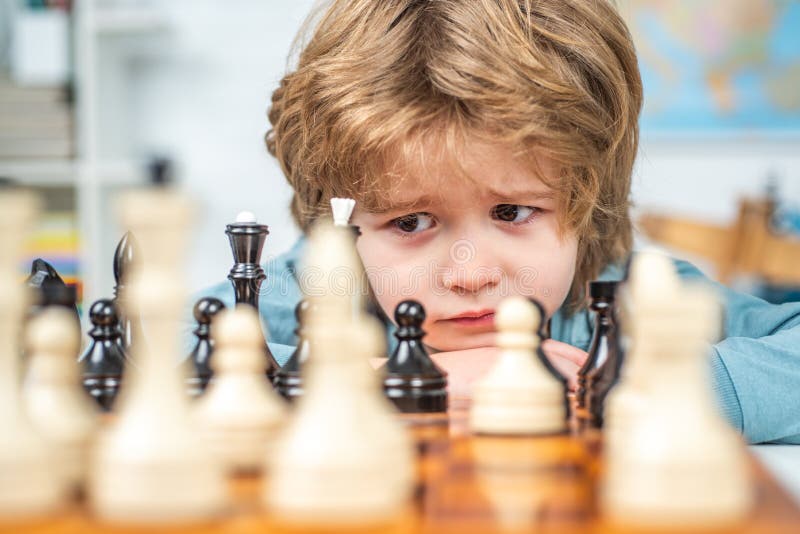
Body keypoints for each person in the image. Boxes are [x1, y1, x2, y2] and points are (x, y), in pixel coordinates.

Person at [195, 0, 800, 444]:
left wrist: (658, 384)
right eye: (411, 222)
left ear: (587, 200)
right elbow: (163, 339)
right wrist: (379, 378)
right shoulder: (324, 286)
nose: (471, 274)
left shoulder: (628, 294)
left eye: (511, 212)